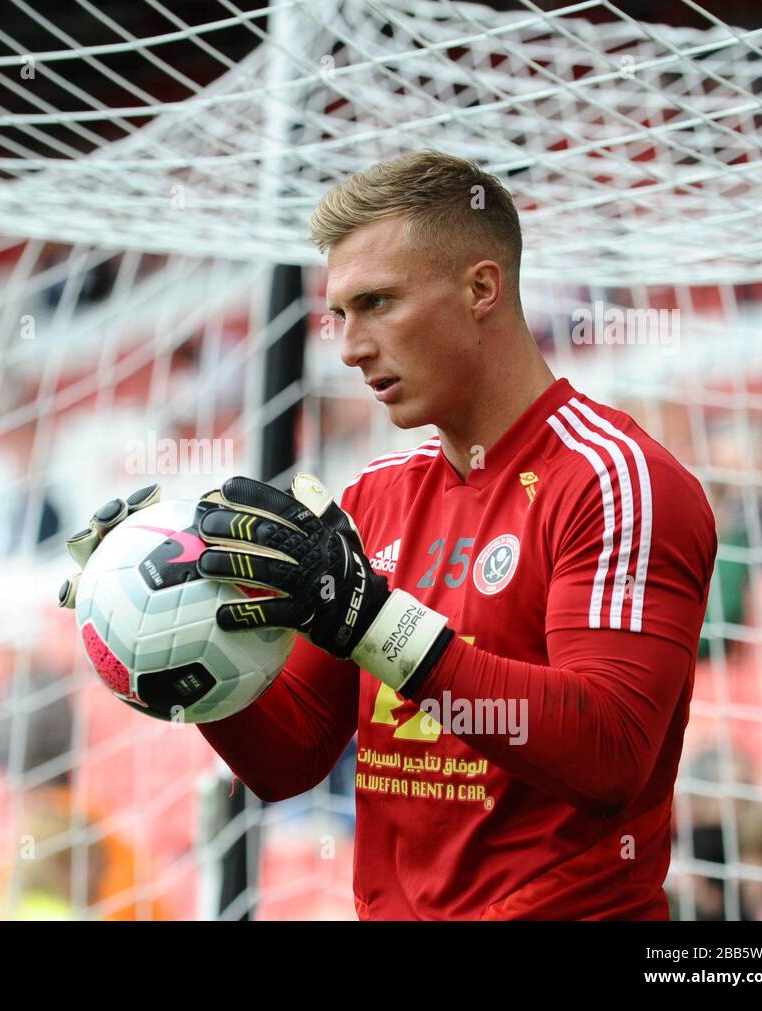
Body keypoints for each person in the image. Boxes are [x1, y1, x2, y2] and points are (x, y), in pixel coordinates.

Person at [58, 150, 717, 919]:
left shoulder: (614, 478)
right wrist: (166, 647)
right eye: (339, 314)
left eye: (377, 302)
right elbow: (297, 752)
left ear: (481, 288)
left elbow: (608, 752)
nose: (349, 345)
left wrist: (375, 624)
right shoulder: (375, 495)